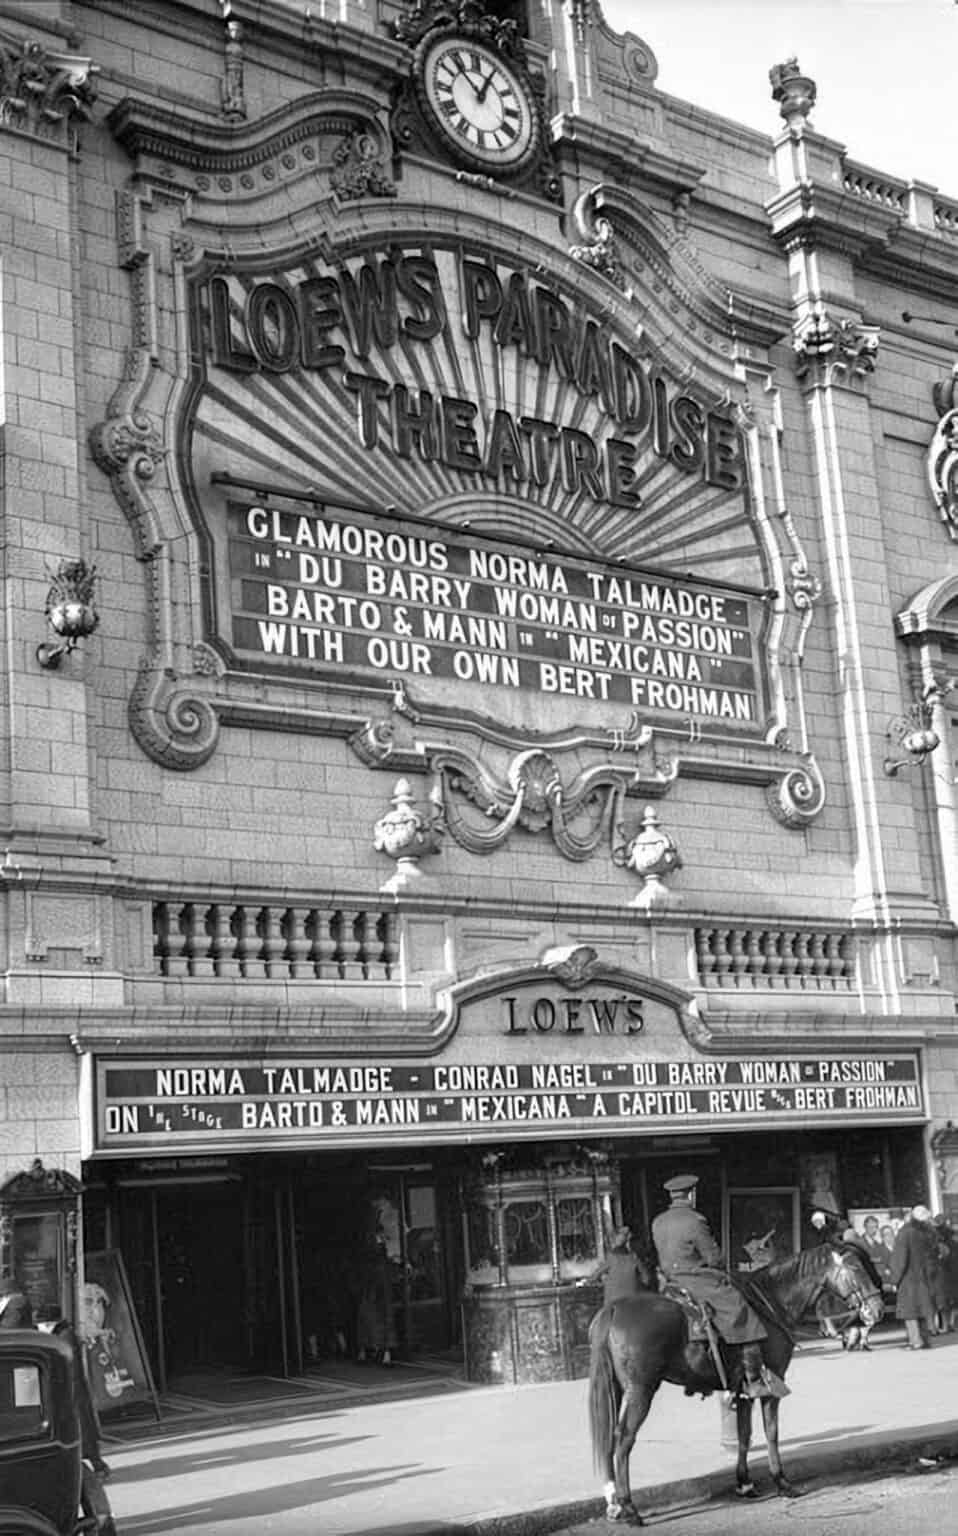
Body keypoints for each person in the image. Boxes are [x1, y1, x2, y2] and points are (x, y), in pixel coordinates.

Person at [651, 1173, 786, 1400]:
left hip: (669, 1282)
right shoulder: (695, 1220)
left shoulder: (658, 1221)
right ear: (691, 1194)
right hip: (697, 1280)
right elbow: (714, 1258)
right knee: (741, 1310)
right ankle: (754, 1380)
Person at [890, 1205, 940, 1349]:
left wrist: (895, 1279)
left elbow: (900, 1258)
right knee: (923, 1309)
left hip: (909, 1278)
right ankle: (925, 1340)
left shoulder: (905, 1233)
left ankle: (915, 1341)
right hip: (925, 1277)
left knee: (910, 1312)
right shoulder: (929, 1232)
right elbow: (934, 1254)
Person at [356, 1235, 397, 1366]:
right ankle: (384, 1354)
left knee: (368, 1325)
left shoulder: (367, 1267)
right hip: (380, 1299)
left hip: (371, 1299)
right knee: (384, 1324)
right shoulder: (383, 1267)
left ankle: (366, 1352)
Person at [589, 1226, 648, 1305]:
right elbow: (646, 1279)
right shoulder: (634, 1258)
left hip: (613, 1301)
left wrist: (589, 1280)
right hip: (631, 1300)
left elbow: (595, 1276)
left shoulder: (612, 1258)